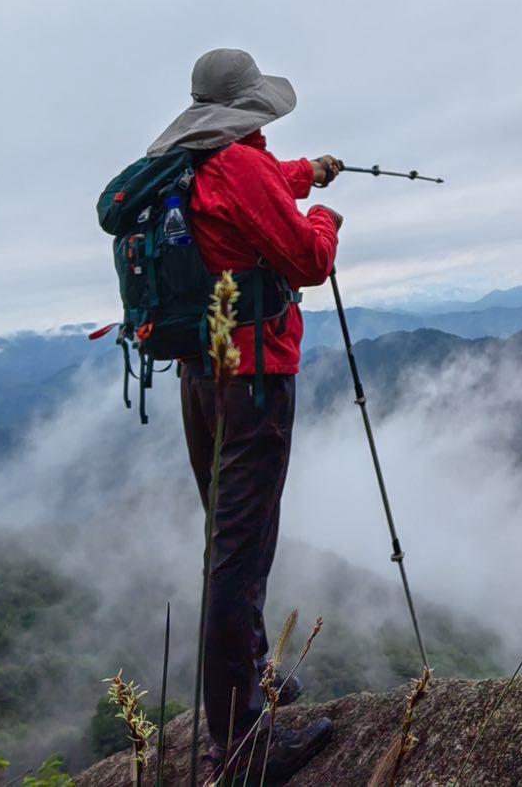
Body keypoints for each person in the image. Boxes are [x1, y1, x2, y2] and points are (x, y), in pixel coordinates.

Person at [148, 48, 341, 779]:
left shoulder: (193, 164)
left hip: (202, 373)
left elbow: (256, 193)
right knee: (241, 546)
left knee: (228, 533)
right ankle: (239, 743)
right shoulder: (239, 167)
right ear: (247, 106)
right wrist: (323, 213)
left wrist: (305, 173)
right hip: (254, 377)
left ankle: (252, 671)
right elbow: (304, 259)